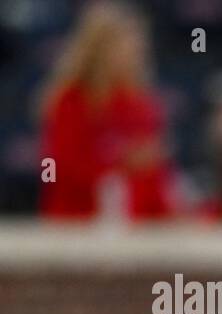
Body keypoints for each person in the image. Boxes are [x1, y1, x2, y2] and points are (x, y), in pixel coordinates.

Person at [37, 1, 178, 220]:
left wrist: (170, 217)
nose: (135, 53)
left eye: (138, 45)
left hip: (136, 228)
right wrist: (119, 162)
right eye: (125, 44)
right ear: (100, 48)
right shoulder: (68, 103)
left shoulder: (142, 105)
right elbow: (55, 171)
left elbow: (155, 177)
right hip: (74, 223)